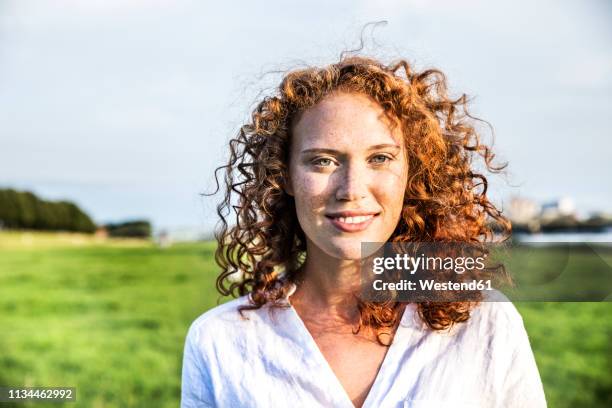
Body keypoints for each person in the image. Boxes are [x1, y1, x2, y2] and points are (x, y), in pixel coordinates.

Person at [181, 55, 547, 407]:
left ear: (411, 173)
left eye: (380, 158)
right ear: (284, 175)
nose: (352, 189)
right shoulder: (219, 340)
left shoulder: (486, 323)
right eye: (323, 161)